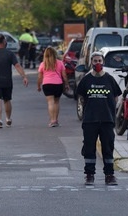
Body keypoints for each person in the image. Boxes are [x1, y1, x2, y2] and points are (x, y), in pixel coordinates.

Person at [75, 50, 122, 186]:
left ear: (103, 62)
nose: (97, 63)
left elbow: (116, 97)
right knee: (89, 148)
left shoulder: (109, 79)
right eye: (95, 61)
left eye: (99, 61)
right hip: (90, 120)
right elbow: (81, 97)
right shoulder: (86, 80)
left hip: (107, 120)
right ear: (91, 62)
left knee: (108, 148)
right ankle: (89, 175)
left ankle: (109, 175)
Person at [0, 34, 28, 128]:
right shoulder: (10, 53)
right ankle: (8, 119)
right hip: (7, 80)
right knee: (7, 99)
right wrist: (24, 76)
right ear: (4, 42)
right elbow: (17, 66)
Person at [37, 46, 68, 127]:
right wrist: (67, 84)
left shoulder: (43, 64)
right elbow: (64, 76)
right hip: (58, 84)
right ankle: (56, 120)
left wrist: (38, 86)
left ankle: (52, 120)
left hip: (47, 84)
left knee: (50, 102)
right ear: (55, 53)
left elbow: (40, 77)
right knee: (57, 102)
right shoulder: (60, 63)